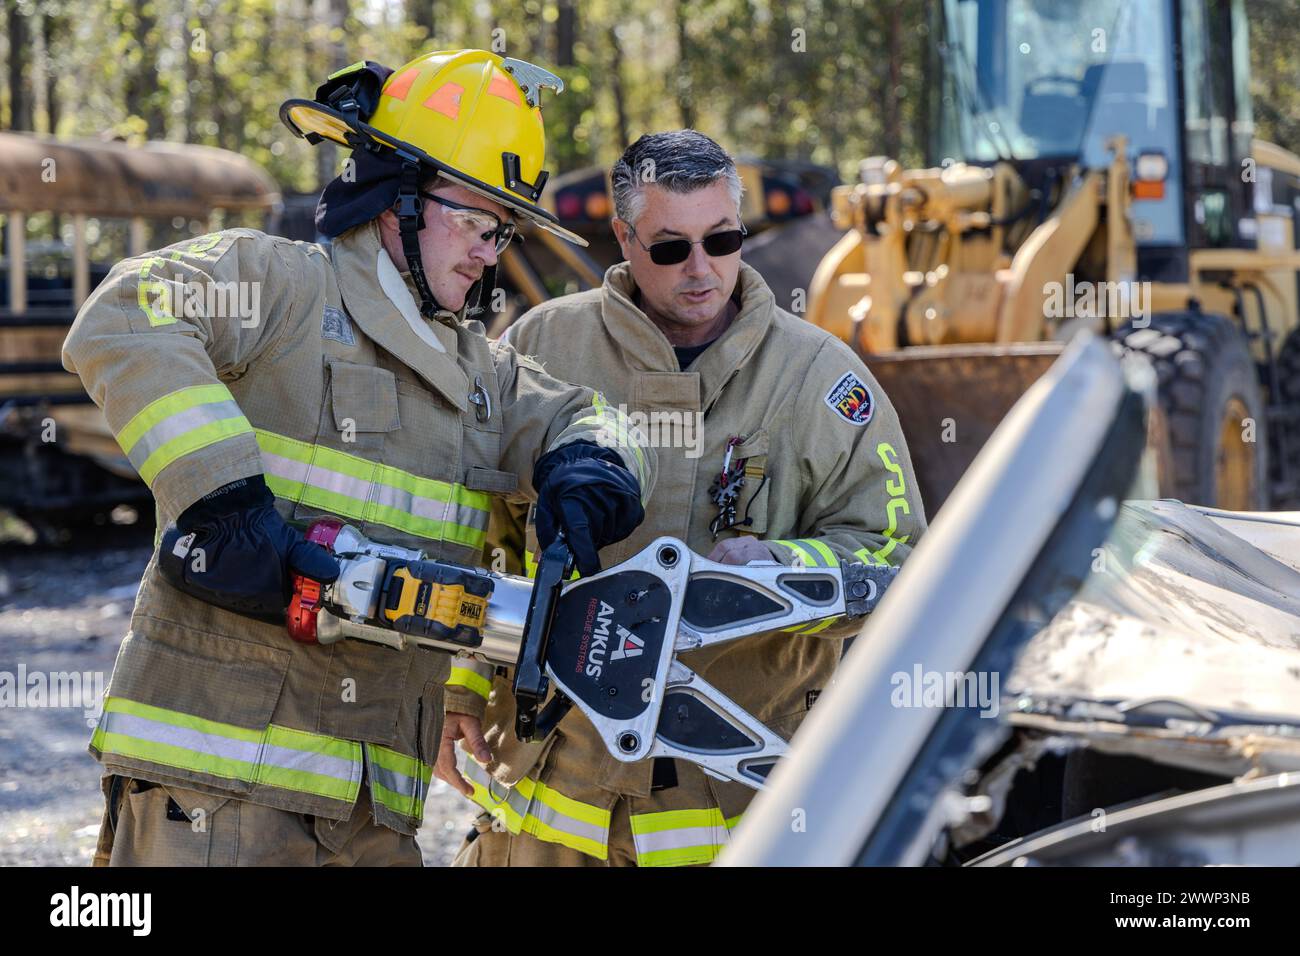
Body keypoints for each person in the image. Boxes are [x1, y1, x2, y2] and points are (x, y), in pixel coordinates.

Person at [63, 49, 654, 866]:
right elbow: (124, 314)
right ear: (398, 197)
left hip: (372, 815)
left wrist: (592, 467)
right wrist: (222, 501)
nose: (491, 252)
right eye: (479, 222)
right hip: (214, 793)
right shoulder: (285, 289)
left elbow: (595, 419)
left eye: (504, 229)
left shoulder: (480, 372)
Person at [440, 129, 926, 867]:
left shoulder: (821, 380)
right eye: (670, 247)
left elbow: (900, 565)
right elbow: (482, 539)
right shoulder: (540, 350)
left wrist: (780, 566)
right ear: (625, 238)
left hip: (736, 815)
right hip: (546, 806)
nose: (702, 270)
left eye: (723, 239)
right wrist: (456, 693)